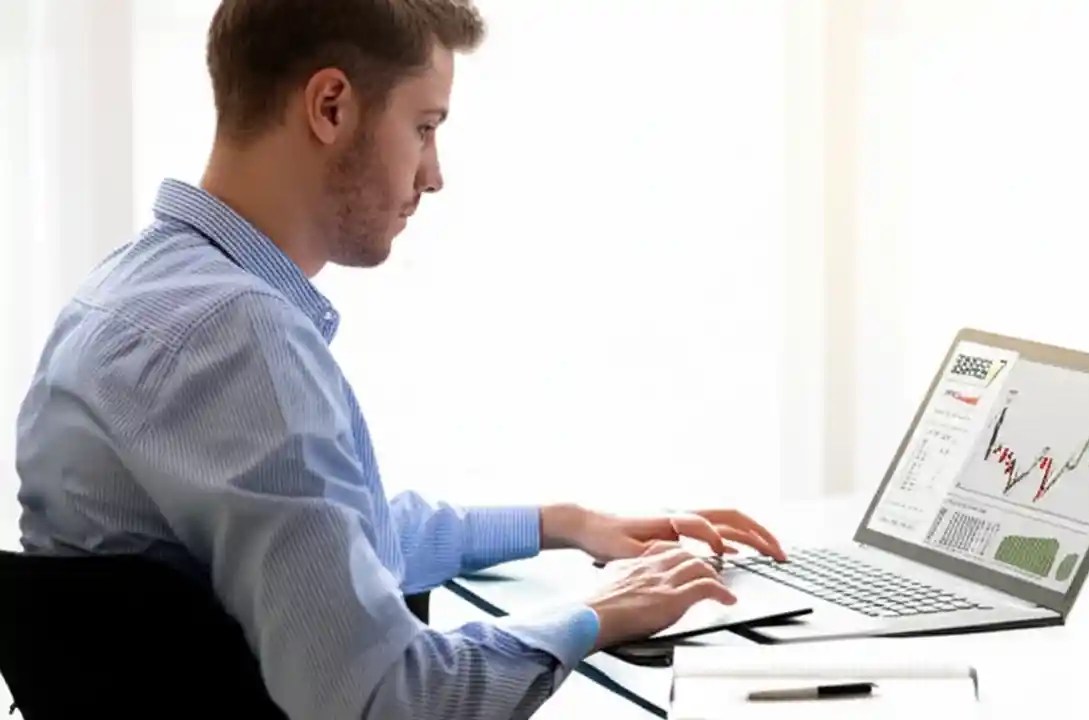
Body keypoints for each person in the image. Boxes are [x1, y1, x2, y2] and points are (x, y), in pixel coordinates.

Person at [12, 1, 787, 718]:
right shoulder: (237, 339)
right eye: (424, 126)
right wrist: (599, 614)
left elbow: (330, 539)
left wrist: (565, 525)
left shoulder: (131, 292)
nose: (435, 174)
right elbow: (386, 699)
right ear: (331, 107)